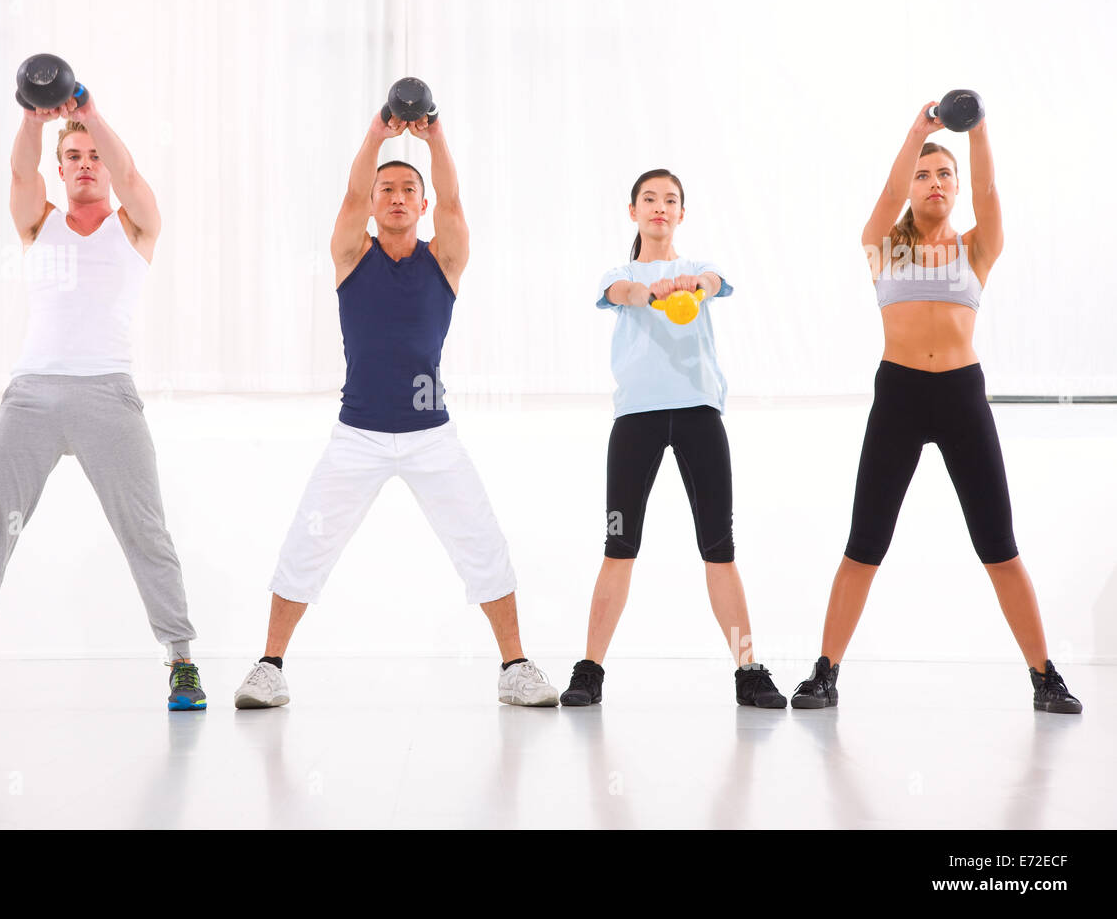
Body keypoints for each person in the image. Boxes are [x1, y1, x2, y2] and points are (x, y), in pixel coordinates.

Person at [234, 108, 557, 708]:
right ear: (376, 202)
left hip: (432, 434)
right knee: (307, 543)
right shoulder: (352, 256)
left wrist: (434, 137)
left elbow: (456, 201)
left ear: (424, 203)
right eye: (389, 190)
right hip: (356, 435)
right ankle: (269, 666)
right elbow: (353, 191)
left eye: (411, 190)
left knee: (481, 541)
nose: (398, 197)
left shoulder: (445, 259)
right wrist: (379, 134)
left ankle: (515, 666)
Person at [0, 92, 205, 714]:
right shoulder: (38, 222)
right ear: (61, 167)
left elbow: (132, 176)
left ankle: (181, 662)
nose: (87, 163)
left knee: (145, 531)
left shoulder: (135, 225)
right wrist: (31, 118)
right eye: (74, 156)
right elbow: (20, 173)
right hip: (32, 397)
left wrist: (88, 111)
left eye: (95, 154)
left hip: (109, 395)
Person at [790, 102, 1082, 713]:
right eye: (923, 176)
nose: (933, 183)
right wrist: (918, 134)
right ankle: (825, 672)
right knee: (864, 543)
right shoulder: (882, 248)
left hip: (960, 398)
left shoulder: (978, 247)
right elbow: (890, 186)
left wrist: (976, 129)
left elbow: (989, 186)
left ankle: (1044, 676)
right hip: (897, 396)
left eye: (943, 175)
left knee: (998, 545)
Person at [560, 169, 787, 709]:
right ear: (633, 211)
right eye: (649, 199)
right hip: (636, 420)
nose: (660, 207)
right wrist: (652, 290)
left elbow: (713, 284)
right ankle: (589, 669)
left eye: (670, 200)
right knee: (619, 547)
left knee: (719, 550)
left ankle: (748, 671)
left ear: (682, 213)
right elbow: (628, 293)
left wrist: (689, 285)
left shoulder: (698, 267)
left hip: (698, 416)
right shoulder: (619, 273)